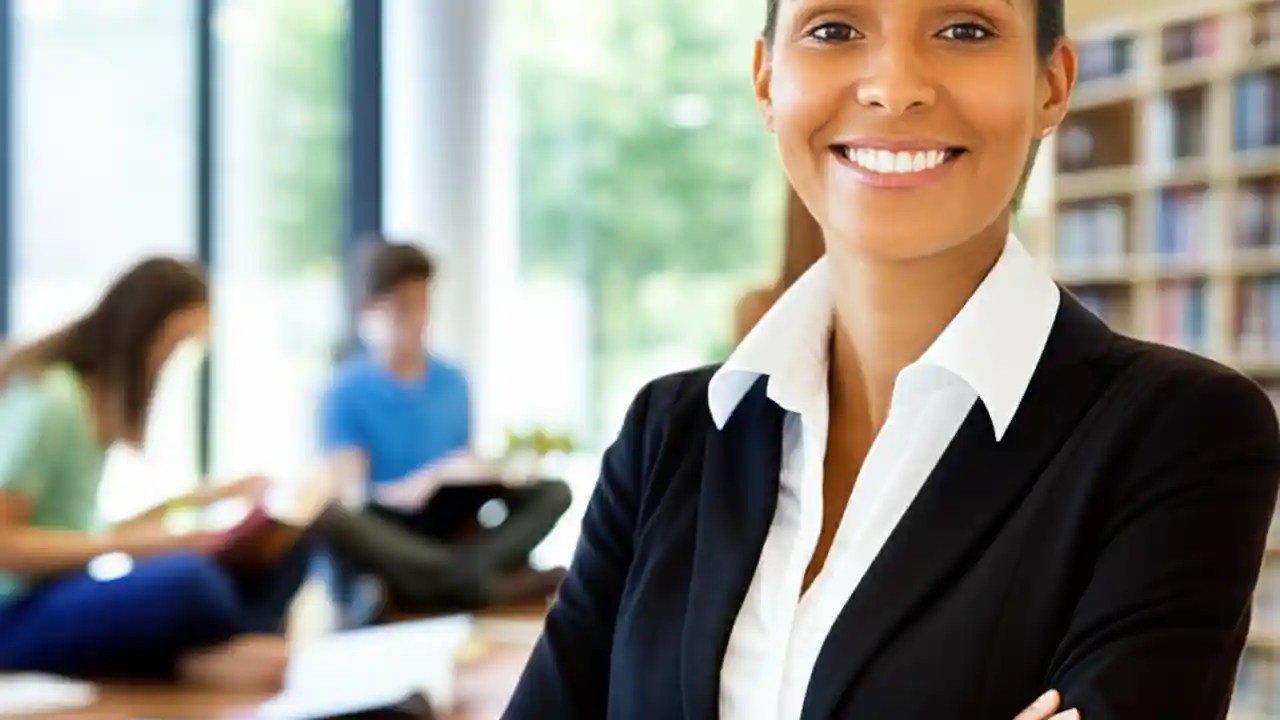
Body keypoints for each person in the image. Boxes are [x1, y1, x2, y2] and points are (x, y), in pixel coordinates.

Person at [505, 1, 1280, 719]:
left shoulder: (1179, 433)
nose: (895, 87)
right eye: (836, 29)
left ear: (1052, 85)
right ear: (767, 81)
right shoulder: (668, 435)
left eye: (966, 29)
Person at [0, 259, 308, 690]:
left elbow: (83, 530)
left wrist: (206, 498)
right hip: (14, 615)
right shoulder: (54, 400)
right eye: (176, 344)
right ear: (141, 333)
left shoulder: (91, 403)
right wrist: (158, 545)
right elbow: (6, 545)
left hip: (64, 591)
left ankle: (209, 649)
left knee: (289, 549)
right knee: (189, 581)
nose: (171, 364)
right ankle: (210, 652)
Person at [321, 241, 571, 610]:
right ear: (372, 310)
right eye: (404, 307)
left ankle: (448, 581)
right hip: (394, 527)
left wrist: (493, 471)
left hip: (449, 524)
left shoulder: (453, 381)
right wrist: (410, 488)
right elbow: (353, 494)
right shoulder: (345, 390)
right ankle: (478, 583)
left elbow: (464, 461)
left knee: (554, 490)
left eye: (423, 304)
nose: (418, 319)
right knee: (331, 518)